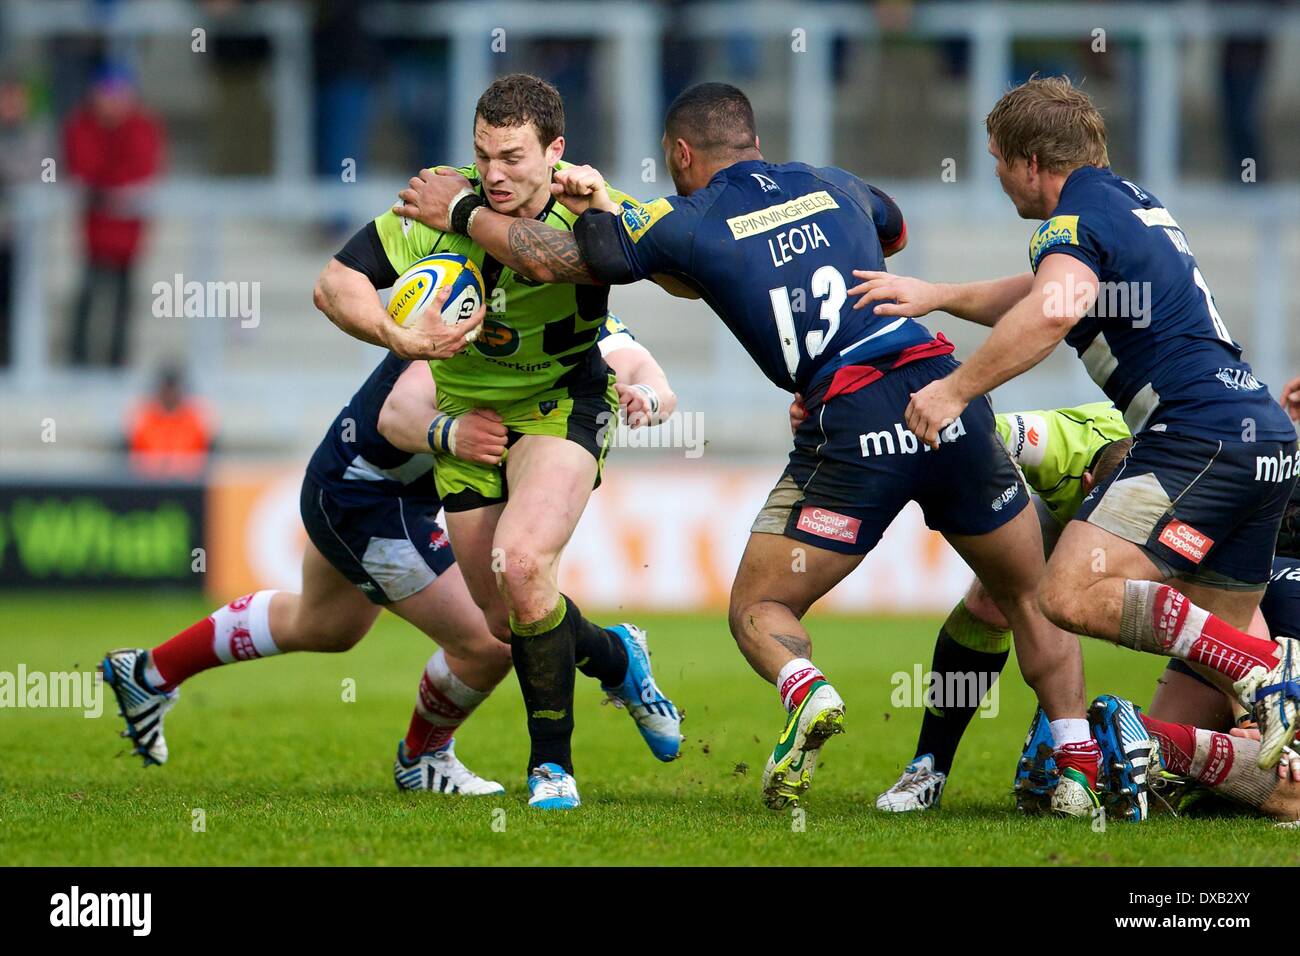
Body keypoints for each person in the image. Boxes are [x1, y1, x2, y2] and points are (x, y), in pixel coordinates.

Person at [394, 81, 1096, 815]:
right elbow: (892, 229)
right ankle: (1077, 770)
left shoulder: (689, 218)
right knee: (1023, 594)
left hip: (856, 417)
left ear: (681, 154)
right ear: (755, 141)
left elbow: (579, 259)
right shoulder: (833, 182)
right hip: (945, 390)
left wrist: (474, 210)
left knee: (758, 606)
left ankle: (807, 688)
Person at [849, 76, 1300, 776]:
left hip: (1195, 434)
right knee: (1221, 678)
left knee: (1068, 592)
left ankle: (1268, 675)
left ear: (1032, 163)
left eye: (999, 160)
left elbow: (1054, 311)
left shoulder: (1069, 224)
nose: (997, 176)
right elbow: (1047, 294)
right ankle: (1267, 712)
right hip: (1260, 437)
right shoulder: (1126, 203)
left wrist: (953, 389)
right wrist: (937, 295)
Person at [101, 305, 677, 797]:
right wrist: (451, 434)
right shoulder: (476, 309)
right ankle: (428, 756)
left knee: (324, 625)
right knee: (489, 638)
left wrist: (649, 393)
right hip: (368, 494)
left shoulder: (568, 303)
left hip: (367, 487)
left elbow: (639, 363)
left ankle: (149, 672)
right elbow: (398, 413)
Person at [313, 75, 682, 810]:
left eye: (514, 156)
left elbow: (672, 271)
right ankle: (618, 656)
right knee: (499, 618)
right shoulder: (438, 210)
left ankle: (551, 769)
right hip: (470, 415)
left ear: (556, 152)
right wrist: (394, 331)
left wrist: (610, 209)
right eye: (485, 155)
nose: (497, 172)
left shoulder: (586, 207)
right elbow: (334, 282)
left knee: (522, 562)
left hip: (561, 405)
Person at [64, 63, 164, 367]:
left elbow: (141, 172)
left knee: (122, 298)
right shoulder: (81, 125)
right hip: (95, 233)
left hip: (127, 234)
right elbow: (83, 169)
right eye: (107, 94)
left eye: (119, 94)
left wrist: (107, 189)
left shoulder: (143, 127)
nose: (112, 102)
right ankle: (78, 359)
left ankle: (116, 362)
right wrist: (109, 189)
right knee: (89, 294)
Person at [125, 366, 214, 479]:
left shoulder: (196, 417)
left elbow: (203, 456)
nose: (170, 394)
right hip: (148, 482)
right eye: (166, 388)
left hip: (187, 483)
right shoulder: (144, 416)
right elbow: (134, 456)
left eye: (173, 388)